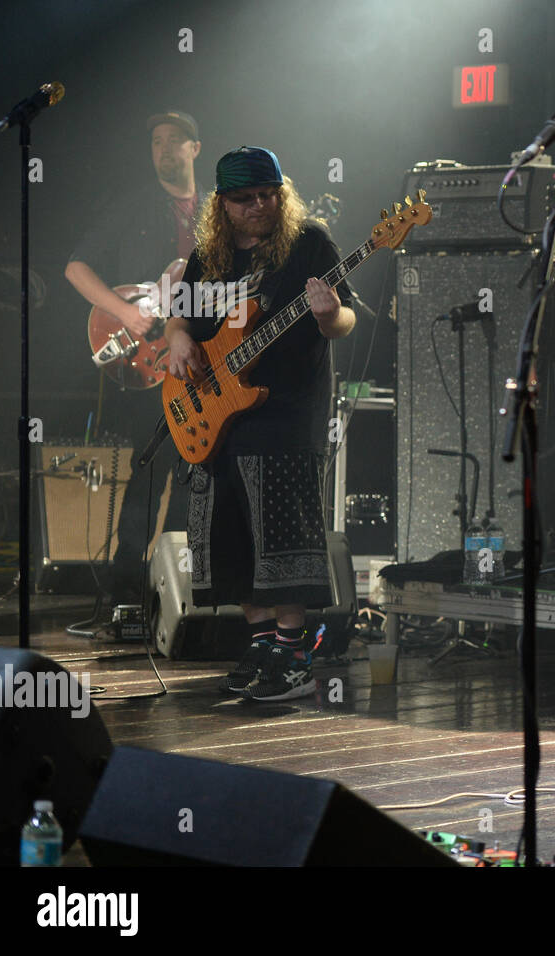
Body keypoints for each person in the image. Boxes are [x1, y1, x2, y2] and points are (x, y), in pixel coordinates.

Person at [164, 146, 355, 701]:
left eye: (269, 194)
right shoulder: (210, 256)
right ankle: (262, 644)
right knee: (226, 534)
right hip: (213, 412)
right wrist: (177, 336)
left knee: (283, 530)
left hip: (286, 413)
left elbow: (345, 319)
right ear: (222, 204)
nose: (259, 206)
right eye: (245, 199)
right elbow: (182, 311)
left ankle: (295, 653)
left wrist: (326, 313)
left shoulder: (309, 243)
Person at [65, 110, 203, 603]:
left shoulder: (216, 212)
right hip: (147, 361)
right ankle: (125, 595)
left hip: (199, 362)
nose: (163, 149)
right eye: (156, 141)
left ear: (195, 149)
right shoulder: (132, 206)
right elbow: (75, 268)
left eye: (173, 140)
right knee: (149, 474)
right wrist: (124, 312)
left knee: (196, 475)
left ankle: (178, 594)